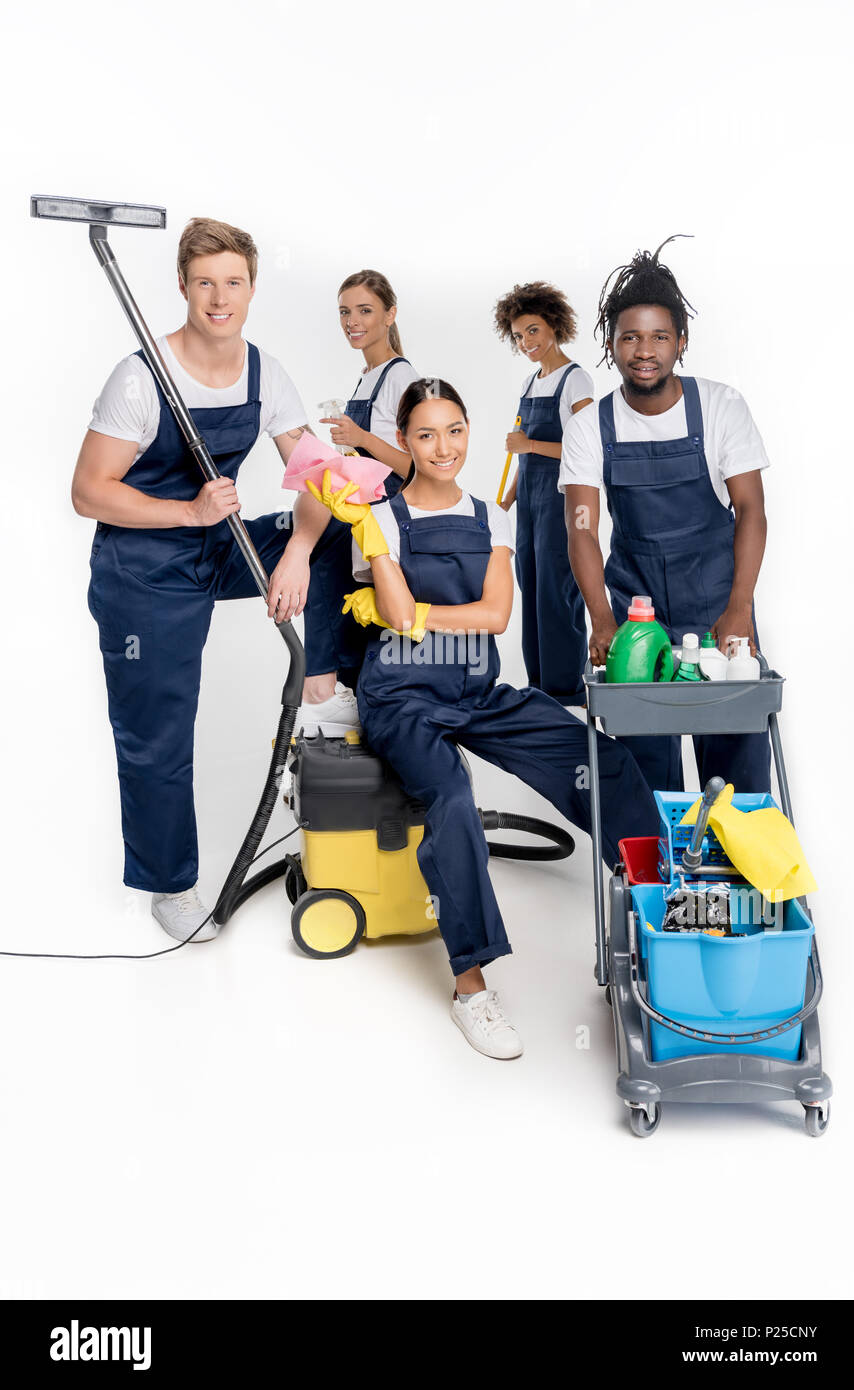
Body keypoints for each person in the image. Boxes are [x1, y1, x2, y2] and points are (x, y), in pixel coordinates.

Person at [309, 379, 657, 1059]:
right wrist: (381, 559)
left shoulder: (487, 514)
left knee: (600, 759)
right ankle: (471, 988)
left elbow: (490, 616)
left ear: (469, 431)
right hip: (401, 697)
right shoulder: (375, 516)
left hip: (476, 688)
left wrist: (415, 616)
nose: (443, 447)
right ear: (403, 443)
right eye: (425, 434)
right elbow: (398, 619)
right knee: (452, 799)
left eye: (455, 430)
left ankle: (653, 908)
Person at [73, 216, 336, 943]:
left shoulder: (264, 372)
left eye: (233, 282)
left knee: (345, 524)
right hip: (143, 572)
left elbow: (322, 477)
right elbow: (90, 491)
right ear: (182, 287)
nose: (219, 298)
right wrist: (187, 510)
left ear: (252, 286)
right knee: (157, 731)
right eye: (204, 284)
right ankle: (169, 885)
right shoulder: (140, 376)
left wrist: (296, 553)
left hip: (217, 546)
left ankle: (333, 680)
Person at [560, 238, 772, 795]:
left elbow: (751, 511)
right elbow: (581, 529)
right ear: (612, 345)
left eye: (659, 336)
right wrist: (603, 620)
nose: (645, 350)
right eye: (630, 337)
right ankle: (653, 879)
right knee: (644, 768)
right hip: (637, 617)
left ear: (681, 341)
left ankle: (741, 877)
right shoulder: (591, 426)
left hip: (717, 605)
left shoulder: (721, 407)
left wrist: (738, 609)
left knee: (736, 770)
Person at [295, 271, 419, 734]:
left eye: (365, 310)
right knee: (348, 604)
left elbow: (415, 464)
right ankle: (340, 696)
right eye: (345, 311)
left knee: (331, 569)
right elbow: (365, 454)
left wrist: (359, 437)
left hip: (385, 513)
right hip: (359, 504)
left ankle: (324, 688)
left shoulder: (400, 375)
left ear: (389, 315)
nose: (352, 320)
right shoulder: (366, 376)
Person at [493, 282, 593, 704]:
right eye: (518, 336)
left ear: (554, 324)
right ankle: (540, 688)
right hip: (529, 504)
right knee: (529, 583)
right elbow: (523, 461)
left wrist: (529, 445)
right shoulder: (531, 382)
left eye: (532, 331)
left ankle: (567, 688)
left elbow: (587, 447)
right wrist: (504, 504)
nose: (526, 343)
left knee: (557, 587)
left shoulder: (576, 378)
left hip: (561, 500)